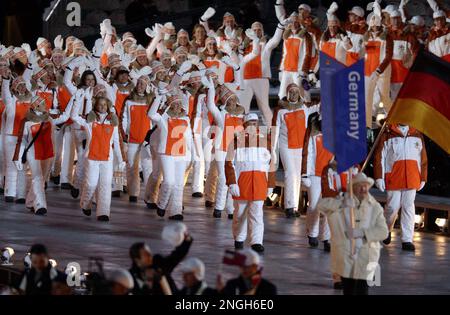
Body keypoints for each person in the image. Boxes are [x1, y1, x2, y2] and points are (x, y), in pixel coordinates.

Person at [317, 172, 389, 295]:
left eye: (365, 185)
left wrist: (363, 233)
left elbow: (383, 232)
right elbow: (320, 205)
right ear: (353, 187)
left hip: (366, 257)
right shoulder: (342, 204)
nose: (363, 188)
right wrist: (341, 204)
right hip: (346, 256)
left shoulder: (375, 207)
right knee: (348, 291)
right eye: (360, 185)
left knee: (362, 291)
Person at [225, 112, 276, 253]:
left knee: (257, 214)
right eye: (250, 123)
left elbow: (271, 164)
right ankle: (239, 238)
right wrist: (232, 182)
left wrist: (271, 184)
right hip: (242, 184)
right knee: (240, 213)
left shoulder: (266, 141)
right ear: (245, 125)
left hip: (259, 183)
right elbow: (229, 163)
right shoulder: (236, 141)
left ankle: (256, 242)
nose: (252, 126)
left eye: (255, 123)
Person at [13, 95, 71, 215]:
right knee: (37, 178)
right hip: (33, 152)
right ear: (37, 106)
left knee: (41, 178)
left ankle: (30, 202)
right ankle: (40, 205)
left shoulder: (48, 119)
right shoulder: (27, 121)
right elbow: (22, 140)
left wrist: (74, 100)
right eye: (43, 103)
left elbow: (65, 117)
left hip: (47, 152)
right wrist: (18, 157)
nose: (46, 105)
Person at [70, 95, 125, 221]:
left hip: (107, 158)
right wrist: (77, 100)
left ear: (108, 106)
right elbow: (73, 116)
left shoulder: (113, 122)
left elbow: (116, 142)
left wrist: (121, 160)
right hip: (92, 158)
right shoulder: (89, 121)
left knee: (105, 185)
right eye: (100, 104)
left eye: (105, 105)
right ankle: (85, 204)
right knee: (91, 184)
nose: (102, 107)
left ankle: (103, 212)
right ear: (95, 106)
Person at [373, 124, 427, 251]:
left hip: (412, 177)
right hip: (393, 177)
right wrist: (379, 176)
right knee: (392, 207)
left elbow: (423, 158)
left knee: (408, 207)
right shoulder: (388, 133)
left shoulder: (417, 133)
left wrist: (423, 177)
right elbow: (379, 156)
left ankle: (407, 239)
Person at [302, 113, 333, 250]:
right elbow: (307, 153)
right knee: (314, 206)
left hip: (331, 175)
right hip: (315, 175)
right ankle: (312, 233)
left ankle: (327, 239)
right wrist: (305, 174)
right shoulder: (313, 135)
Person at [128, 232, 193, 295]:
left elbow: (175, 257)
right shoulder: (131, 278)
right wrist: (148, 284)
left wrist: (186, 242)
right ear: (137, 260)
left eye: (149, 253)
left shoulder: (158, 264)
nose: (150, 256)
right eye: (146, 255)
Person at [364, 1, 393, 127]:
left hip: (382, 73)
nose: (374, 27)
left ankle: (393, 118)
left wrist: (379, 70)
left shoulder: (386, 37)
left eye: (376, 24)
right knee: (368, 97)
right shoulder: (367, 37)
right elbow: (364, 55)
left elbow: (388, 56)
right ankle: (368, 123)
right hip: (368, 71)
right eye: (372, 24)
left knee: (384, 97)